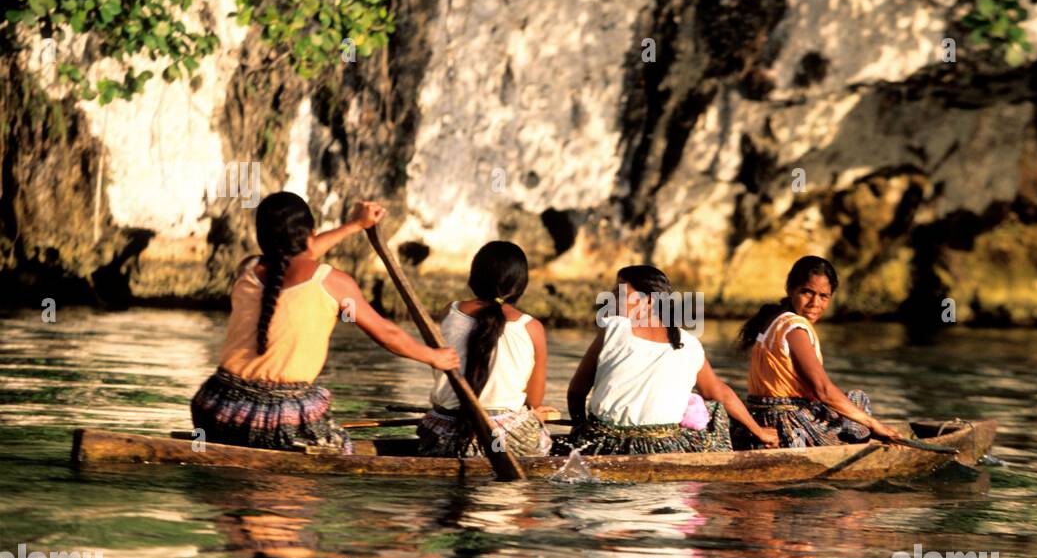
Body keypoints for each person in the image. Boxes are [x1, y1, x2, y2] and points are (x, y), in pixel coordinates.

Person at [191, 192, 459, 453]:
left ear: (262, 238)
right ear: (311, 234)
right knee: (341, 450)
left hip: (216, 407)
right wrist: (435, 357)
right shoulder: (333, 282)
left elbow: (300, 254)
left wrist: (354, 226)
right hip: (279, 420)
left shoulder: (246, 269)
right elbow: (386, 334)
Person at [566, 265, 778, 455]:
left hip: (606, 445)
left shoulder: (612, 328)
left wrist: (580, 429)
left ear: (647, 300)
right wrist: (760, 432)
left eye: (619, 291)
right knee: (713, 409)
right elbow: (719, 393)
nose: (611, 296)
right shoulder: (689, 342)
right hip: (664, 447)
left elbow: (576, 392)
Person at [734, 255, 906, 449]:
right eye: (807, 292)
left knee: (848, 403)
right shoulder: (795, 327)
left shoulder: (774, 319)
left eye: (823, 296)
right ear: (791, 290)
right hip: (788, 424)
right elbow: (822, 390)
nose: (815, 303)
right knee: (858, 399)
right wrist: (875, 425)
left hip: (761, 416)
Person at [418, 241, 552, 457]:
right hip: (506, 438)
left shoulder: (450, 311)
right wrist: (536, 416)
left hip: (443, 433)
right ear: (520, 285)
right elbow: (534, 402)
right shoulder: (532, 328)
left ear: (474, 278)